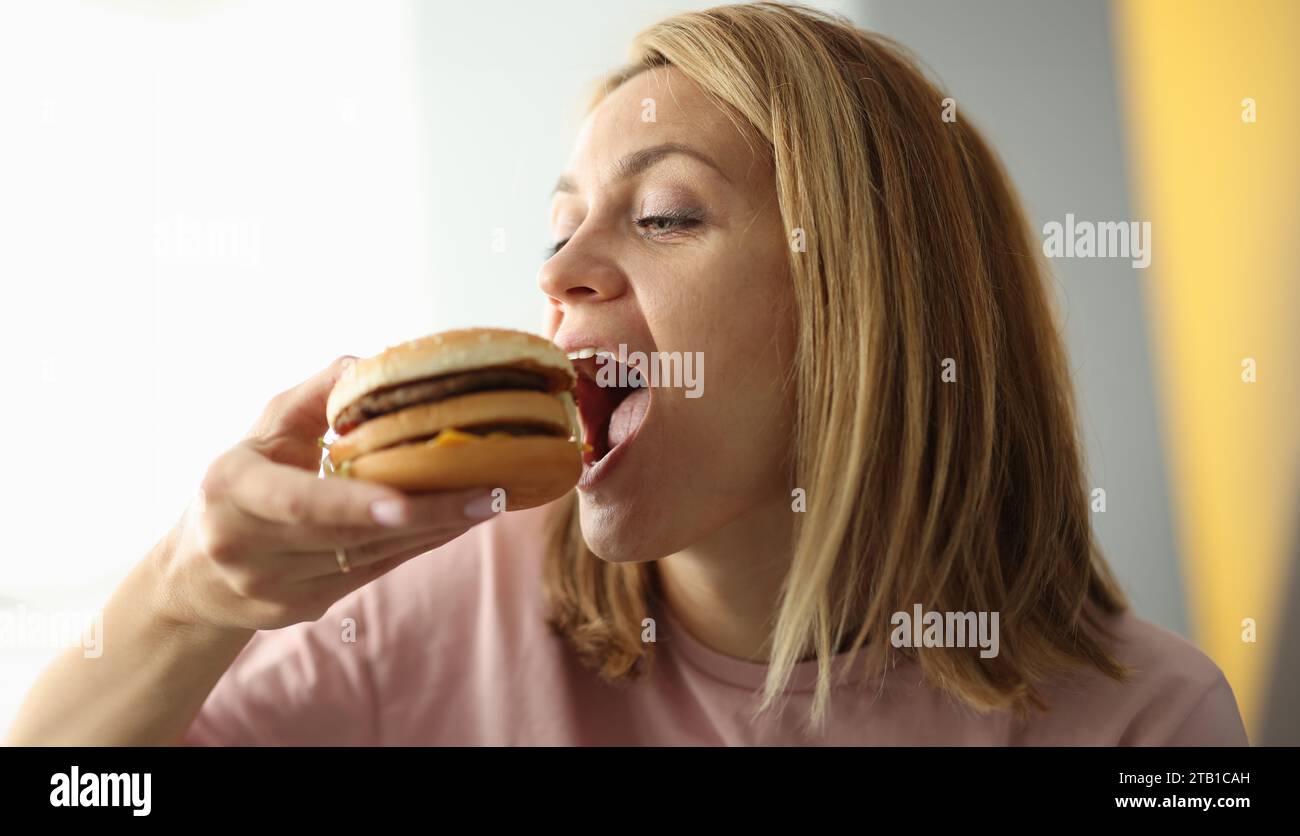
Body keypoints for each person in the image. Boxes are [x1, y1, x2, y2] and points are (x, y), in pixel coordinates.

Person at [8, 2, 1247, 746]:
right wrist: (186, 596)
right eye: (558, 227)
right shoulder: (444, 601)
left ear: (870, 300)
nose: (562, 272)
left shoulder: (1147, 719)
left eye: (662, 216)